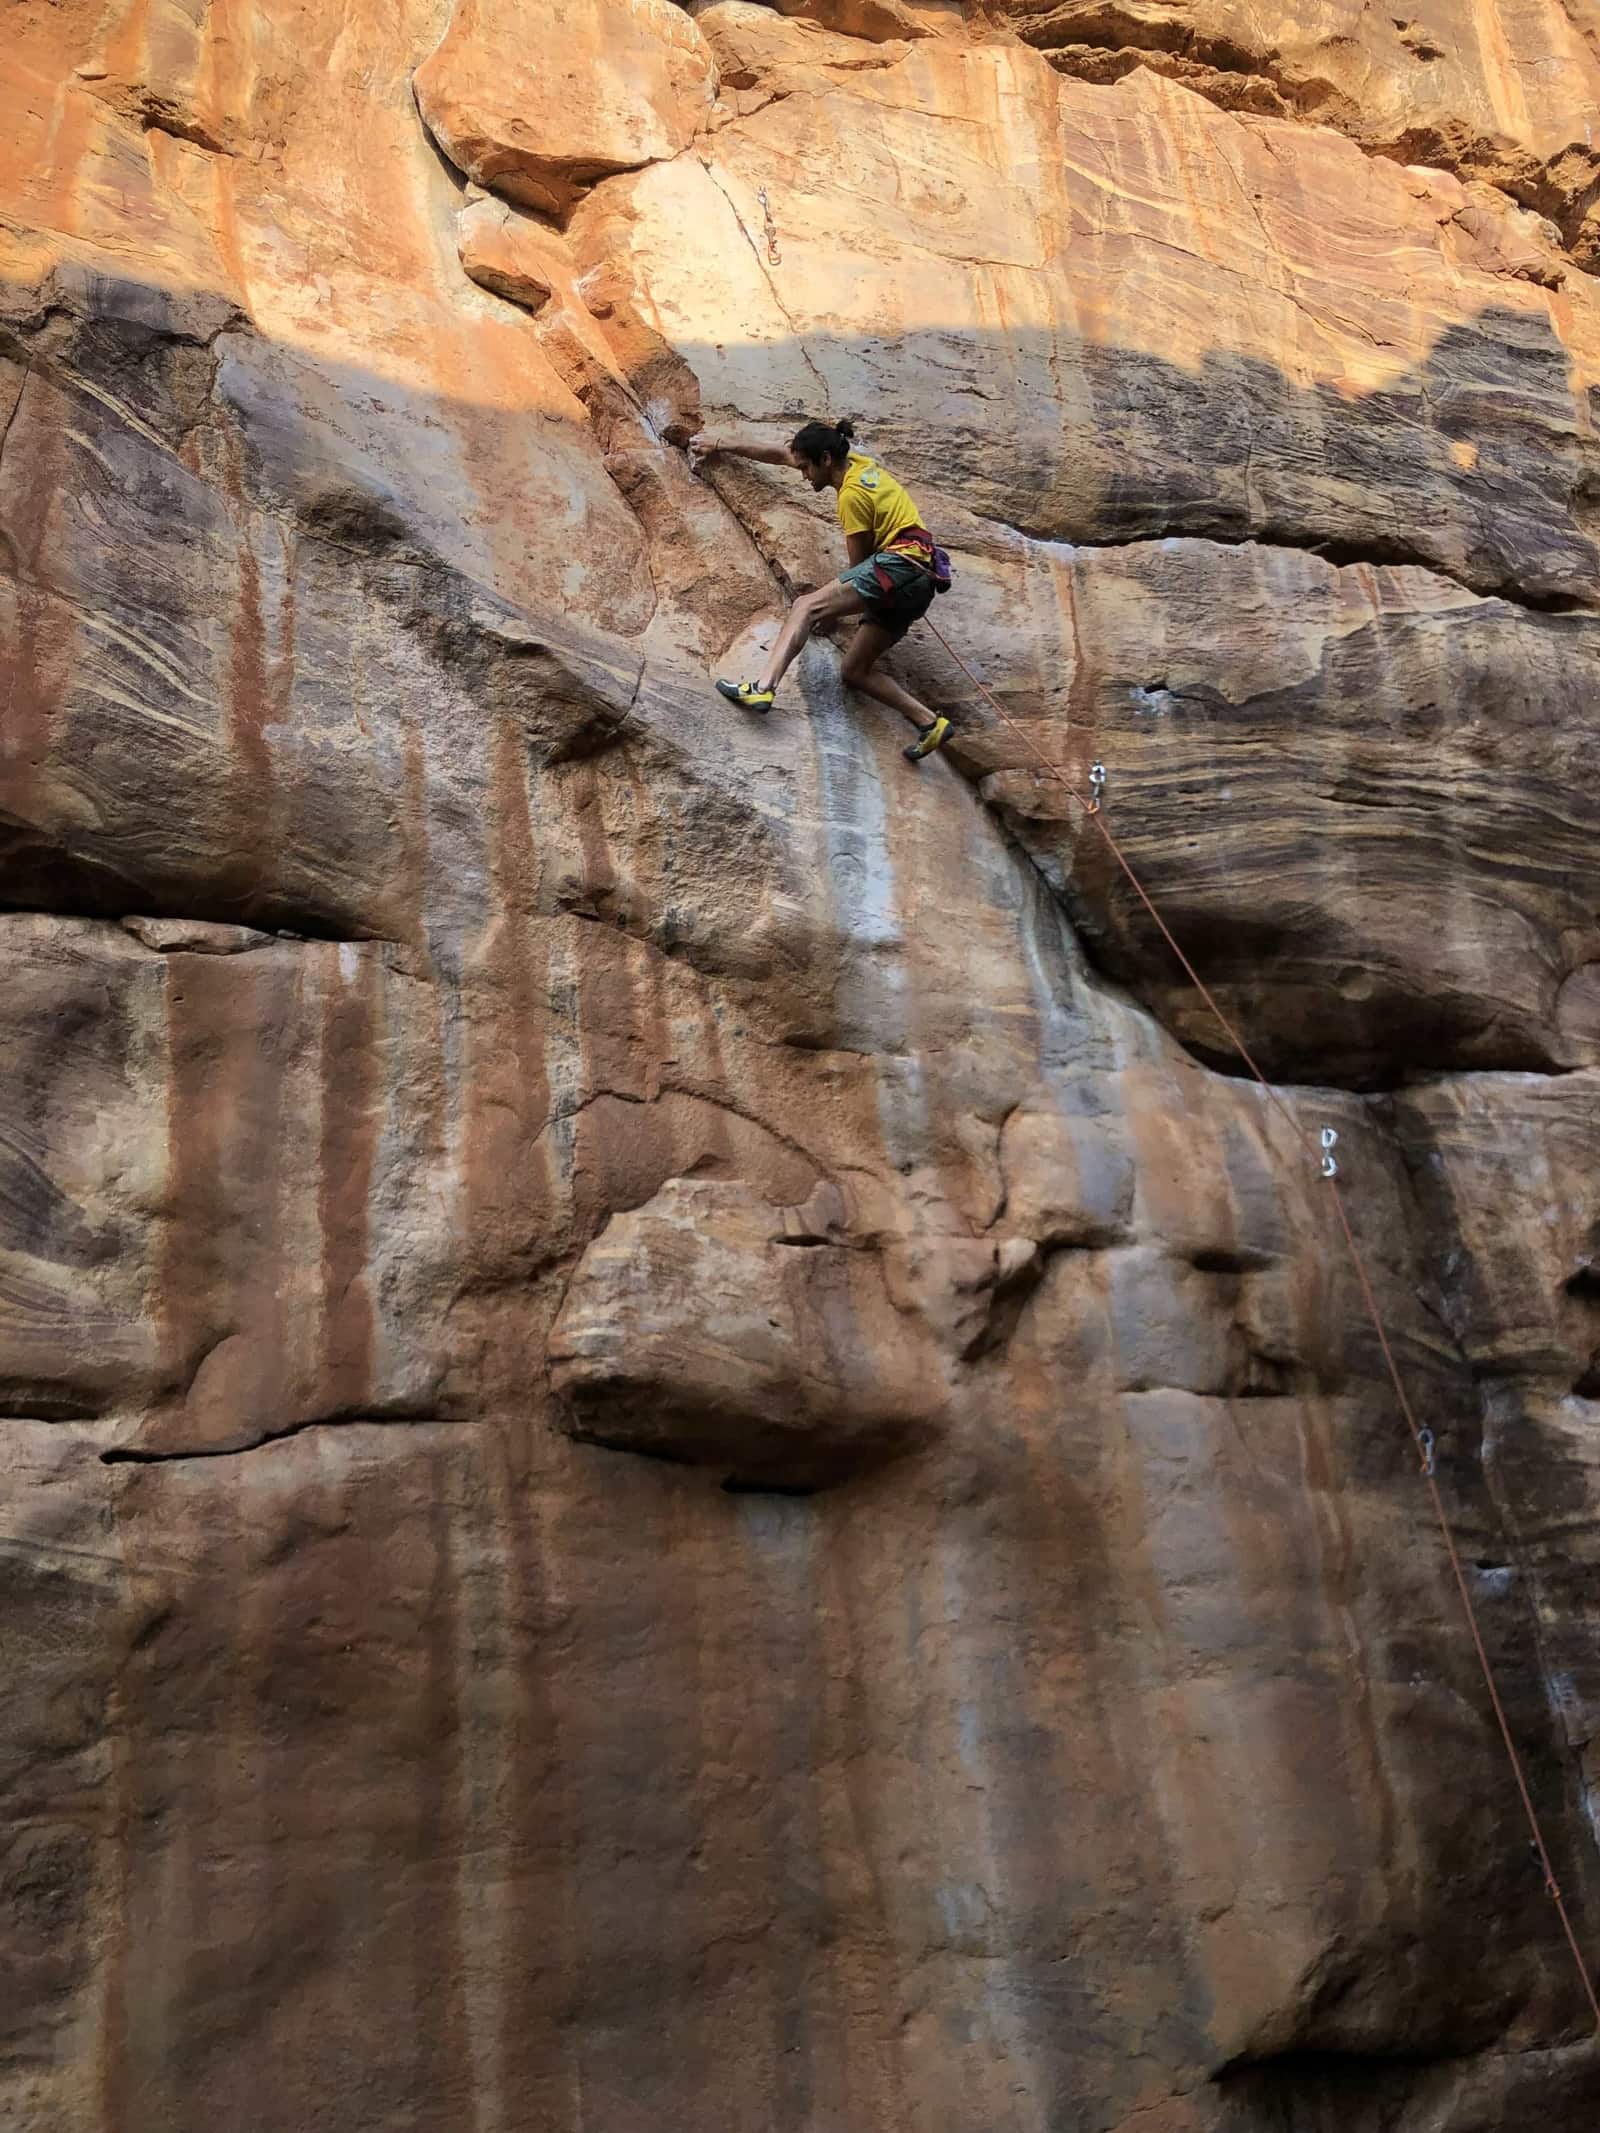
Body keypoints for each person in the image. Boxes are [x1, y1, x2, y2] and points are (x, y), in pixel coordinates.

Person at [691, 418, 953, 763]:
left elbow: (858, 566)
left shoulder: (852, 497)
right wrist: (722, 444)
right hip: (919, 581)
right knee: (854, 671)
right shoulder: (857, 463)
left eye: (806, 469)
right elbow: (780, 455)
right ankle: (929, 722)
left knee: (806, 606)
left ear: (825, 460)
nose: (803, 475)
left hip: (899, 568)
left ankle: (762, 688)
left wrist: (829, 611)